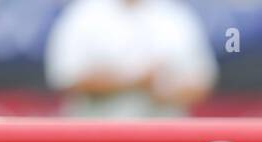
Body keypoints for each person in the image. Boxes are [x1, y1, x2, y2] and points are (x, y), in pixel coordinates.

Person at [43, 0, 218, 118]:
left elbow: (202, 82)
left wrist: (165, 90)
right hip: (96, 138)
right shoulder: (83, 14)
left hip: (162, 139)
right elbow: (66, 78)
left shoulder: (176, 16)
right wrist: (135, 81)